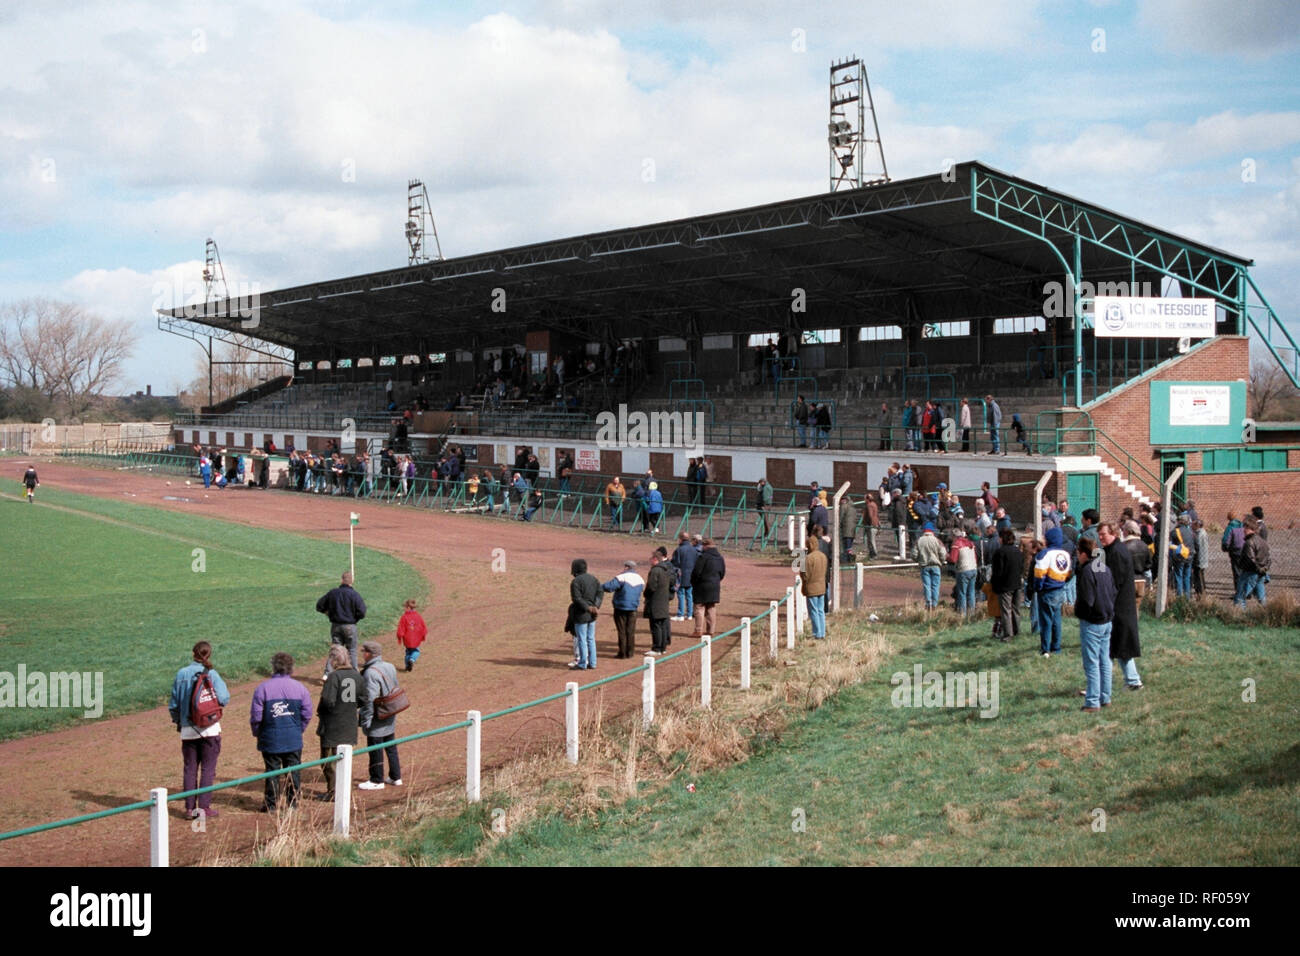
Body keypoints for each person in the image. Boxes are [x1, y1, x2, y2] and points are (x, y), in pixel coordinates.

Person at [169, 640, 231, 820]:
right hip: (209, 728)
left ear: (193, 653)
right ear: (209, 654)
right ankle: (204, 809)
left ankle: (189, 809)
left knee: (189, 769)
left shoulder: (181, 674)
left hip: (188, 730)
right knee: (207, 770)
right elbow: (224, 699)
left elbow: (173, 705)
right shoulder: (211, 673)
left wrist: (180, 721)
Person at [250, 652, 313, 811]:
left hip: (270, 738)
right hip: (293, 738)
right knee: (294, 771)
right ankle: (293, 804)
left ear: (273, 667)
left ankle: (271, 805)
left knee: (272, 772)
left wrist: (259, 733)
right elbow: (307, 714)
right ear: (291, 668)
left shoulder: (262, 689)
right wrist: (299, 730)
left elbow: (256, 717)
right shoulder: (300, 688)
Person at [1098, 522, 1143, 691]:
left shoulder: (1116, 553)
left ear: (1114, 533)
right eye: (1099, 534)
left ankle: (1102, 685)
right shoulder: (1113, 550)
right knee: (1118, 647)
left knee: (1111, 647)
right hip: (1120, 606)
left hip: (1118, 607)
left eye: (1103, 534)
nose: (1101, 537)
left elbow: (1114, 582)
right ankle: (1132, 680)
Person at [1075, 538, 1116, 713]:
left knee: (1091, 663)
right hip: (1107, 619)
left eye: (1078, 554)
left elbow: (1086, 599)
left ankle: (1092, 702)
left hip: (1092, 622)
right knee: (1104, 660)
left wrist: (1080, 613)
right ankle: (1105, 697)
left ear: (1084, 554)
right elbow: (1114, 591)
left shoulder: (1086, 572)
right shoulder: (1104, 568)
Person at [316, 645, 360, 801]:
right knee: (344, 759)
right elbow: (363, 698)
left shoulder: (334, 677)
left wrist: (322, 711)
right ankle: (343, 790)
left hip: (332, 725)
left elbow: (327, 701)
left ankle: (334, 792)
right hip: (349, 723)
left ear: (334, 660)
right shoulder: (356, 675)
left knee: (329, 761)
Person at [357, 641, 402, 790]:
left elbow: (370, 698)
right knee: (390, 745)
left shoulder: (370, 672)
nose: (362, 654)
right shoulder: (389, 666)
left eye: (364, 651)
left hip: (378, 715)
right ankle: (396, 776)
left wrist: (366, 719)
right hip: (390, 710)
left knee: (375, 746)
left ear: (369, 654)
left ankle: (376, 780)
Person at [1032, 527, 1072, 656]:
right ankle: (1057, 647)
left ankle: (1045, 649)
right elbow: (1068, 572)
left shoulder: (1044, 554)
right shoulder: (1065, 554)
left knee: (1046, 621)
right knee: (1056, 620)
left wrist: (1038, 588)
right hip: (1060, 588)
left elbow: (1039, 574)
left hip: (1047, 590)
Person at [316, 571, 366, 674]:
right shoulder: (354, 594)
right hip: (350, 626)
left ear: (341, 580)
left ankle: (327, 674)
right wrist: (354, 619)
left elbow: (319, 605)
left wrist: (328, 614)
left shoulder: (333, 593)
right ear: (352, 581)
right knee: (352, 650)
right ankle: (354, 673)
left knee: (335, 650)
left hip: (336, 626)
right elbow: (362, 612)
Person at [603, 560, 646, 659]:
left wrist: (600, 587)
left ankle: (622, 652)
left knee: (621, 630)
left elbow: (609, 587)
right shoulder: (640, 579)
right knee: (630, 631)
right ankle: (630, 652)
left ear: (627, 567)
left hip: (621, 607)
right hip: (633, 608)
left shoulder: (622, 577)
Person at [566, 558, 602, 670]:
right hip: (592, 615)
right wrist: (596, 606)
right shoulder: (594, 579)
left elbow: (576, 598)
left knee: (582, 639)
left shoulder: (576, 582)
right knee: (591, 638)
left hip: (581, 614)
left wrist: (588, 608)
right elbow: (600, 593)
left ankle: (582, 663)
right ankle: (593, 662)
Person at [991, 528, 1023, 642]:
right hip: (1017, 584)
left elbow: (997, 571)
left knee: (1006, 611)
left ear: (1002, 538)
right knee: (1016, 609)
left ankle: (1008, 634)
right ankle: (1017, 630)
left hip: (1005, 586)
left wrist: (994, 584)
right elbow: (1021, 567)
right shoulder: (1018, 551)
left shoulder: (1000, 552)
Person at [691, 537, 726, 637]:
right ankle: (711, 630)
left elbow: (696, 572)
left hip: (702, 585)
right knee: (711, 607)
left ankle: (698, 630)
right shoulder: (720, 557)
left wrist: (693, 582)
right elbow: (722, 572)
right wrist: (716, 581)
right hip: (714, 585)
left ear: (705, 546)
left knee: (699, 607)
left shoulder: (703, 557)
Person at [643, 547, 675, 654]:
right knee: (662, 626)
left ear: (655, 559)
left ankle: (657, 648)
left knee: (656, 626)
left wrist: (646, 594)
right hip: (663, 602)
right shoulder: (666, 570)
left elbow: (651, 587)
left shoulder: (655, 571)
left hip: (655, 602)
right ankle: (662, 647)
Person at [1234, 518, 1270, 608]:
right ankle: (1265, 613)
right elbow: (1268, 558)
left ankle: (1239, 616)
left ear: (1251, 529)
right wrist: (1264, 569)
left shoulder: (1249, 542)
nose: (1244, 530)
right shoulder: (1262, 541)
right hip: (1261, 573)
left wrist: (1257, 569)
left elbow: (1250, 559)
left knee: (1240, 597)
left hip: (1250, 572)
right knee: (1261, 598)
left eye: (1245, 527)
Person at [802, 527, 829, 638]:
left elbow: (805, 575)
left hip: (812, 588)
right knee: (821, 611)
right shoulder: (823, 556)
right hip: (822, 587)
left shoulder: (808, 558)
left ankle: (816, 633)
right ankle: (822, 632)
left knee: (813, 611)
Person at [915, 523, 946, 610]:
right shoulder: (937, 540)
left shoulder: (919, 540)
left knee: (927, 585)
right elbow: (943, 553)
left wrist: (918, 560)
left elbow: (914, 554)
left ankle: (928, 603)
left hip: (924, 566)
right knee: (935, 586)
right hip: (936, 566)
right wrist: (941, 561)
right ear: (932, 531)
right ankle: (934, 604)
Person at [949, 523, 978, 615]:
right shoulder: (970, 543)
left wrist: (946, 556)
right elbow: (975, 558)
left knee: (962, 593)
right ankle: (972, 613)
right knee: (971, 592)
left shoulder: (956, 544)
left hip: (963, 570)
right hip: (973, 569)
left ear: (954, 536)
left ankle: (962, 613)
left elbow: (953, 559)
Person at [671, 532, 698, 622]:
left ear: (681, 539)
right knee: (689, 595)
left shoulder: (679, 550)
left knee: (681, 595)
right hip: (691, 576)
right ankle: (690, 614)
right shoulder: (694, 550)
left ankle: (681, 614)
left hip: (681, 576)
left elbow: (675, 563)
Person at [396, 599, 427, 672]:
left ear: (408, 607)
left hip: (407, 638)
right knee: (416, 651)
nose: (404, 609)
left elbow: (401, 628)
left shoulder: (404, 617)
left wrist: (400, 636)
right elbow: (423, 627)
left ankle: (407, 666)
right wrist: (422, 635)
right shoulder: (418, 616)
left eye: (405, 607)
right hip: (416, 638)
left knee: (408, 651)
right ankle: (412, 660)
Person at [839, 494, 859, 562]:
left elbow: (840, 518)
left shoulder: (844, 506)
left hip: (845, 529)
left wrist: (839, 525)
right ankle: (850, 558)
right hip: (852, 529)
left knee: (845, 545)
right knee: (849, 545)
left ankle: (846, 559)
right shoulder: (853, 507)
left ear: (844, 500)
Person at [1193, 519, 1210, 596]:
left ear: (1197, 525)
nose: (1192, 526)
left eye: (1193, 525)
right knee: (1200, 576)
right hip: (1202, 558)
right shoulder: (1202, 532)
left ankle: (1201, 591)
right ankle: (1201, 591)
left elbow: (1197, 547)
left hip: (1200, 559)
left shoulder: (1200, 534)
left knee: (1199, 576)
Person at [754, 477, 774, 542]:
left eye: (760, 483)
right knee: (765, 519)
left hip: (765, 505)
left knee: (766, 520)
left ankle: (767, 533)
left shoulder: (765, 488)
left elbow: (765, 497)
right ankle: (766, 533)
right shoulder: (768, 487)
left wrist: (763, 505)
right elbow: (770, 496)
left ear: (763, 482)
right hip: (767, 505)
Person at [865, 492, 880, 559]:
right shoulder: (874, 504)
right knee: (871, 540)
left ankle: (874, 554)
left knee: (871, 540)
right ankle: (873, 554)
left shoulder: (869, 505)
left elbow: (870, 516)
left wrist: (869, 523)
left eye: (865, 499)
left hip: (871, 525)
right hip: (875, 523)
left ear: (867, 499)